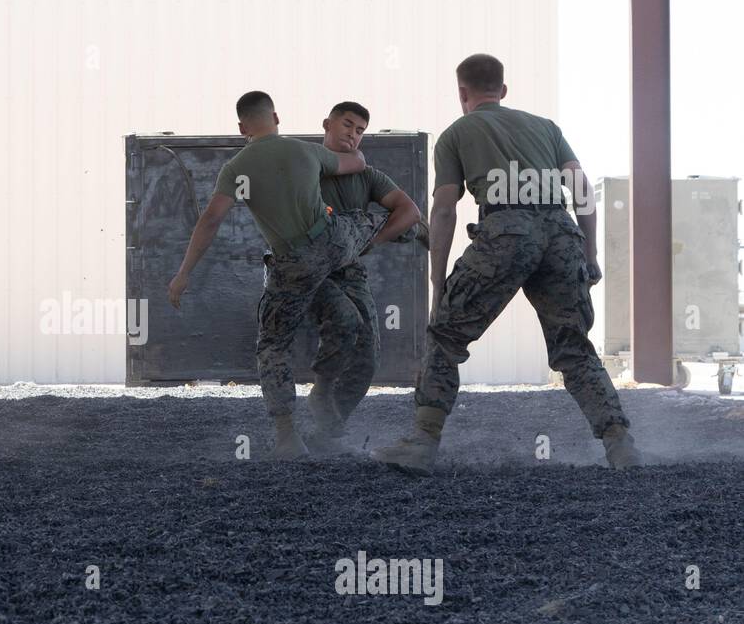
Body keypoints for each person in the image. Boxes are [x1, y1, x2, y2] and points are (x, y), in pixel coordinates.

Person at [370, 54, 641, 475]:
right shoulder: (546, 128)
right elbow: (582, 189)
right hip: (560, 231)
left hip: (505, 231)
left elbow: (444, 210)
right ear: (504, 90)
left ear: (462, 93)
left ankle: (421, 443)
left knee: (445, 336)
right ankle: (620, 443)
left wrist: (437, 279)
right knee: (573, 347)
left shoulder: (457, 133)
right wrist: (589, 255)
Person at [168, 90, 373, 458]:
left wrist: (183, 273)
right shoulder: (305, 151)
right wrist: (354, 149)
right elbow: (354, 163)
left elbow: (211, 219)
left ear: (242, 127)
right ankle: (324, 388)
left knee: (273, 346)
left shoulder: (237, 169)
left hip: (294, 262)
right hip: (332, 246)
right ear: (276, 118)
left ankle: (286, 436)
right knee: (347, 316)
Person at [304, 101, 422, 445]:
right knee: (345, 324)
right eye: (347, 125)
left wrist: (372, 240)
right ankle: (321, 391)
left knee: (368, 358)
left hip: (349, 271)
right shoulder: (307, 164)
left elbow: (409, 211)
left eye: (360, 131)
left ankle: (328, 430)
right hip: (309, 271)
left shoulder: (367, 177)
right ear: (327, 123)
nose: (353, 135)